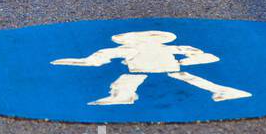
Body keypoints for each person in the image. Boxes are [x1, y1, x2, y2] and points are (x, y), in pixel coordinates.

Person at [52, 30, 251, 105]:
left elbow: (94, 60)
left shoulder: (130, 48)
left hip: (155, 69)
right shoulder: (129, 49)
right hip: (153, 69)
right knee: (192, 79)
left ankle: (121, 97)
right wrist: (72, 61)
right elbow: (95, 59)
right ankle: (121, 97)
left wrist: (185, 62)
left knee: (126, 81)